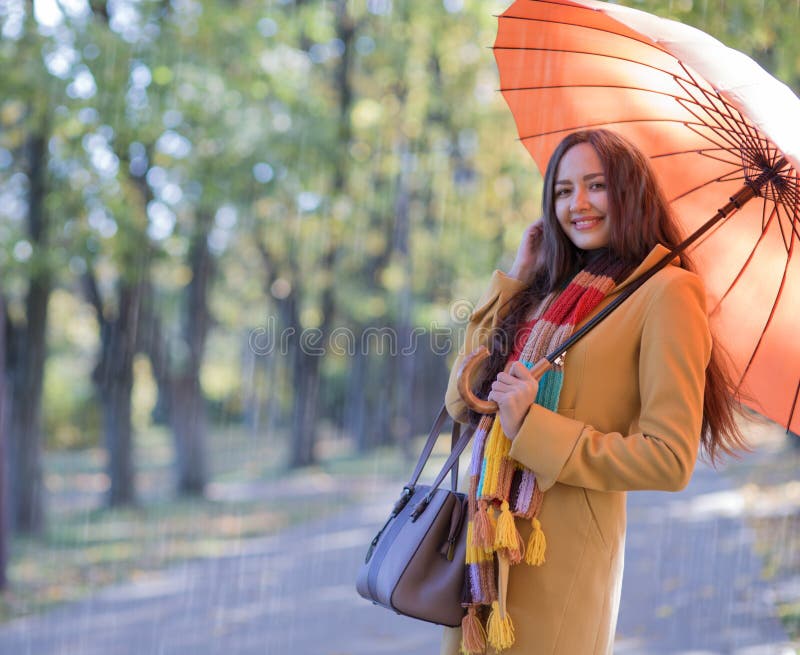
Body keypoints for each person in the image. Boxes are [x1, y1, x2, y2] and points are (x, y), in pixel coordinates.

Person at [441, 129, 747, 655]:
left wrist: (531, 429)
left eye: (595, 186)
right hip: (483, 558)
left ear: (629, 193)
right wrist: (515, 280)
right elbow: (460, 400)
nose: (576, 204)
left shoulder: (667, 292)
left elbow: (669, 460)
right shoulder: (546, 294)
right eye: (562, 191)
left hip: (561, 563)